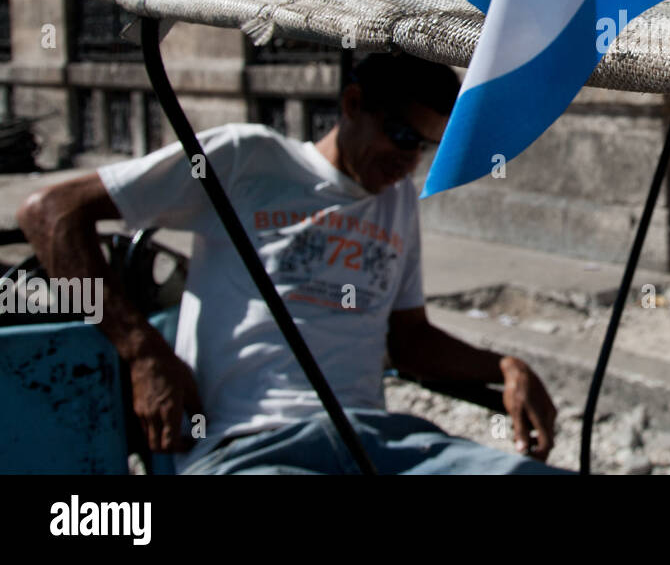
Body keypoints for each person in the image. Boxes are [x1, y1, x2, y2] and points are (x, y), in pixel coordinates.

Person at [17, 52, 568, 475]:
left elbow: (410, 340)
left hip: (376, 440)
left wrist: (503, 366)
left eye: (425, 147)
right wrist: (142, 352)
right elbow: (51, 214)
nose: (408, 161)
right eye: (402, 136)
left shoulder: (396, 202)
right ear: (352, 105)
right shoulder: (248, 159)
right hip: (252, 445)